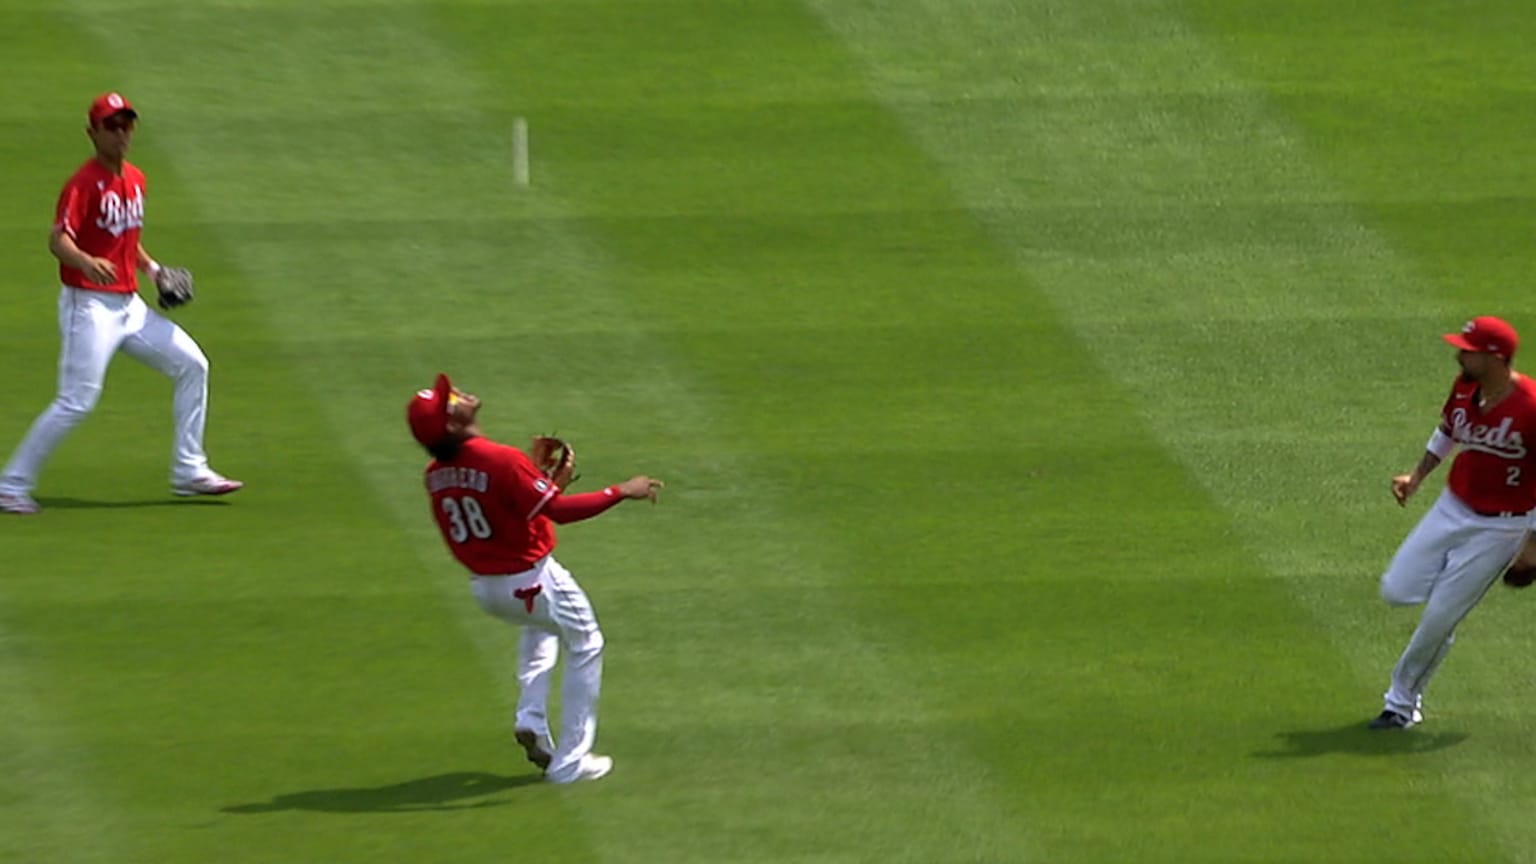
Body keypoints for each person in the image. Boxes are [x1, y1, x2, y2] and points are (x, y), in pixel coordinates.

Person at [407, 373, 663, 782]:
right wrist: (621, 490)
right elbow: (558, 512)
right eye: (449, 400)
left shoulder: (434, 474)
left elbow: (503, 514)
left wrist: (542, 484)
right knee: (586, 643)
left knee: (540, 628)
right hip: (531, 580)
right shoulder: (502, 459)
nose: (457, 394)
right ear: (452, 424)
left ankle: (530, 716)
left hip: (486, 589)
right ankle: (571, 762)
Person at [0, 92, 241, 515]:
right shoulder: (82, 183)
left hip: (129, 308)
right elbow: (57, 240)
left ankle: (189, 469)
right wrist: (85, 261)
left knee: (193, 365)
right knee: (76, 400)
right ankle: (10, 485)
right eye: (111, 126)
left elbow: (125, 238)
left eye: (126, 124)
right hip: (89, 307)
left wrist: (153, 270)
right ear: (92, 133)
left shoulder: (135, 179)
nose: (121, 133)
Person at [1371, 316, 1536, 729]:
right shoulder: (1465, 388)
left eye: (1468, 350)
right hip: (1453, 507)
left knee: (1439, 617)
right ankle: (1446, 605)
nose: (1459, 354)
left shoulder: (1531, 407)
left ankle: (1400, 704)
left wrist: (1532, 546)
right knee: (1396, 590)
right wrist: (1416, 477)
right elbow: (1447, 431)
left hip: (1503, 527)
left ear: (1495, 358)